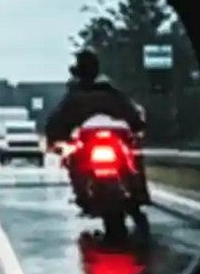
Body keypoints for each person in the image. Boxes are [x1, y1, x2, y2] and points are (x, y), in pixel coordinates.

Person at [45, 48, 149, 202]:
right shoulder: (110, 92)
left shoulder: (76, 96)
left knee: (75, 160)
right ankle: (139, 193)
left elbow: (58, 119)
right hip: (113, 136)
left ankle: (83, 193)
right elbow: (130, 112)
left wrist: (54, 138)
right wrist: (137, 126)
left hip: (98, 137)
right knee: (133, 158)